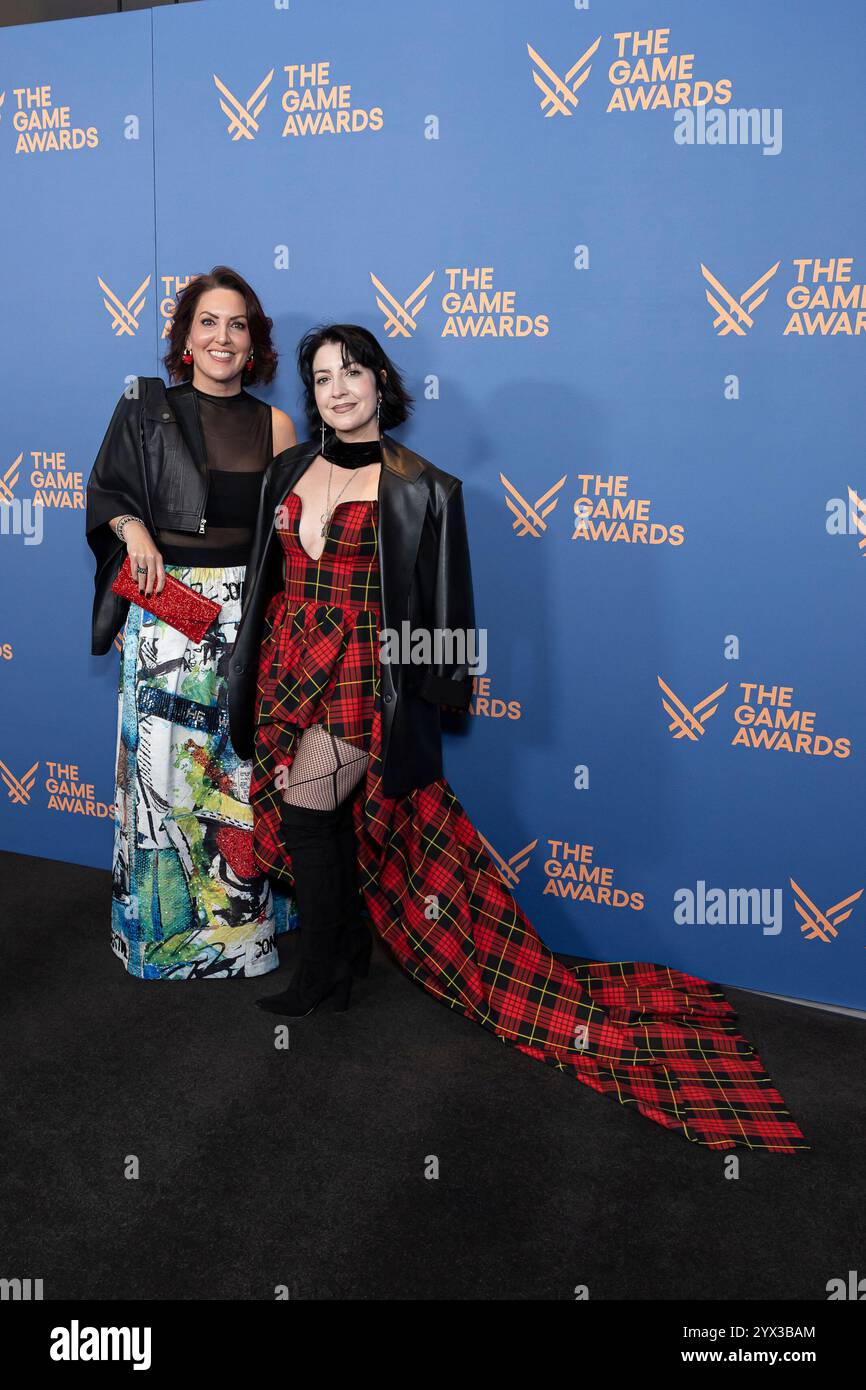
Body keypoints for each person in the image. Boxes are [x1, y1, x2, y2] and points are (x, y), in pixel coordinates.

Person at [227, 322, 809, 1154]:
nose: (339, 389)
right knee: (315, 817)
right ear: (311, 395)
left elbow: (448, 607)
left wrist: (431, 703)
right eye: (322, 378)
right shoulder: (288, 469)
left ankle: (321, 968)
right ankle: (347, 949)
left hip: (366, 668)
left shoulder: (426, 485)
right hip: (291, 658)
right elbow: (267, 575)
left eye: (354, 372)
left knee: (312, 810)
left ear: (382, 383)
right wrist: (252, 664)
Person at [85, 265, 298, 980]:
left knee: (239, 774)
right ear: (185, 337)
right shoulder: (144, 408)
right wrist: (132, 529)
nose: (222, 336)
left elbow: (289, 540)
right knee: (166, 779)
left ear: (254, 343)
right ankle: (167, 938)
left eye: (237, 324)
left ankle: (245, 936)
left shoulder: (276, 425)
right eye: (208, 321)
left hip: (249, 617)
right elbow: (106, 487)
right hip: (167, 610)